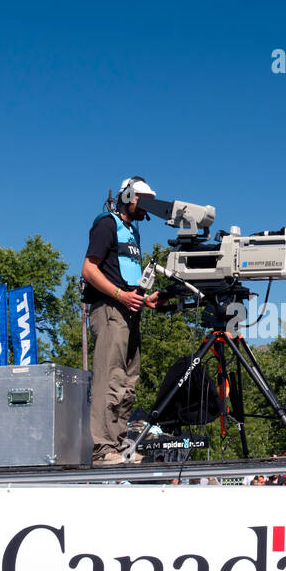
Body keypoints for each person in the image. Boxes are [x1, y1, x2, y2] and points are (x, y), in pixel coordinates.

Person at [82, 176, 162, 466]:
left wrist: (145, 299)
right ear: (129, 196)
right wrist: (119, 294)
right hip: (110, 310)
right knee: (110, 378)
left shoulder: (133, 232)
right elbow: (88, 269)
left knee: (128, 381)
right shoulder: (106, 223)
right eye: (145, 200)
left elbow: (126, 276)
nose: (148, 209)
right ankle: (102, 448)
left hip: (129, 311)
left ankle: (117, 444)